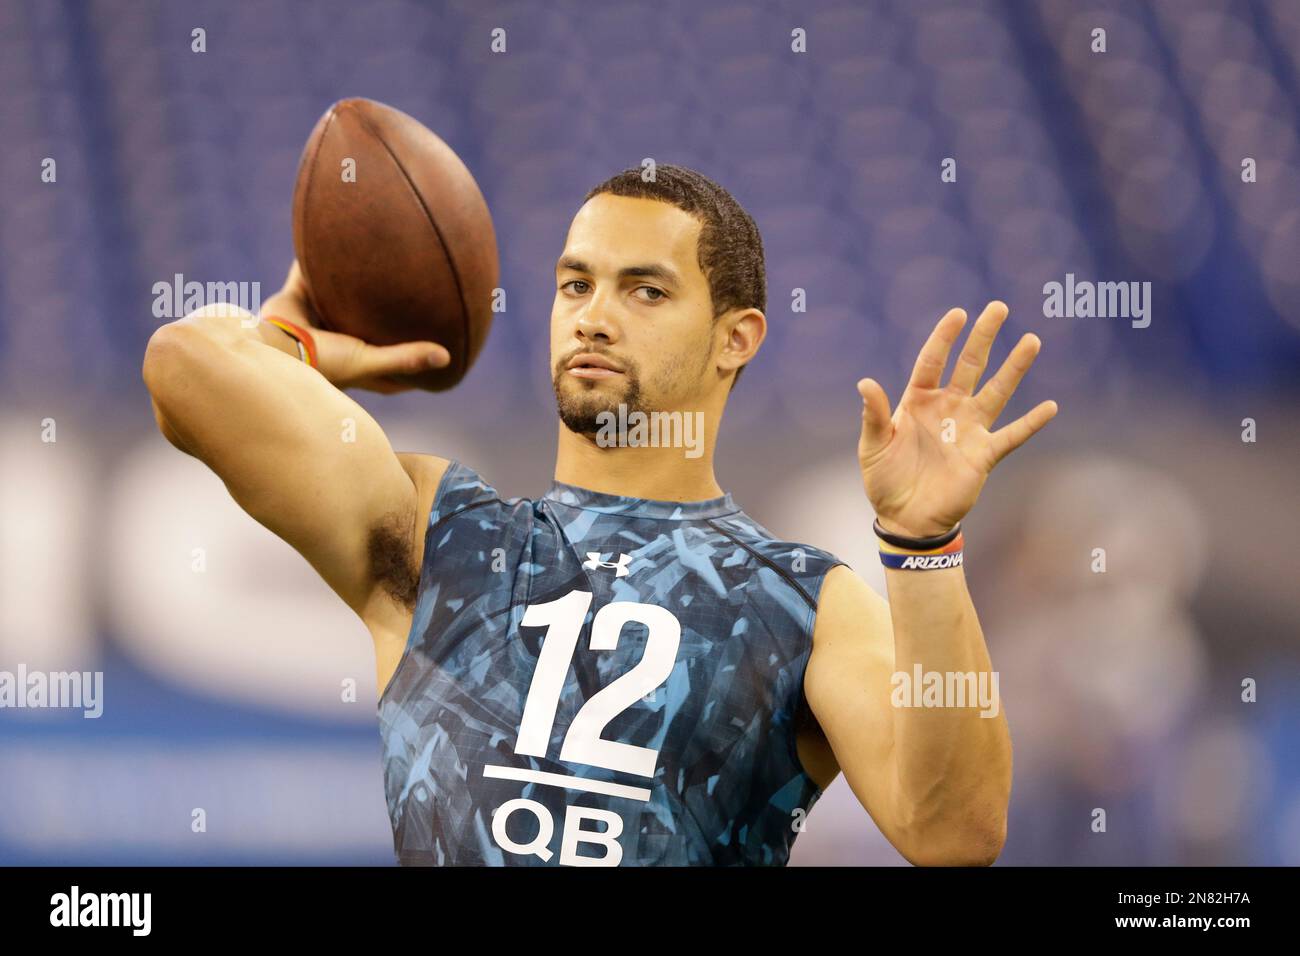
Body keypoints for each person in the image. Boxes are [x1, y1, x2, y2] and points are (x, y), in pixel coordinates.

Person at [142, 164, 1056, 866]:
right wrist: (295, 337)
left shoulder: (805, 602)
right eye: (576, 284)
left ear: (736, 338)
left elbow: (953, 833)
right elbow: (185, 366)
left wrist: (924, 542)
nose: (593, 317)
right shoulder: (440, 534)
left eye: (644, 290)